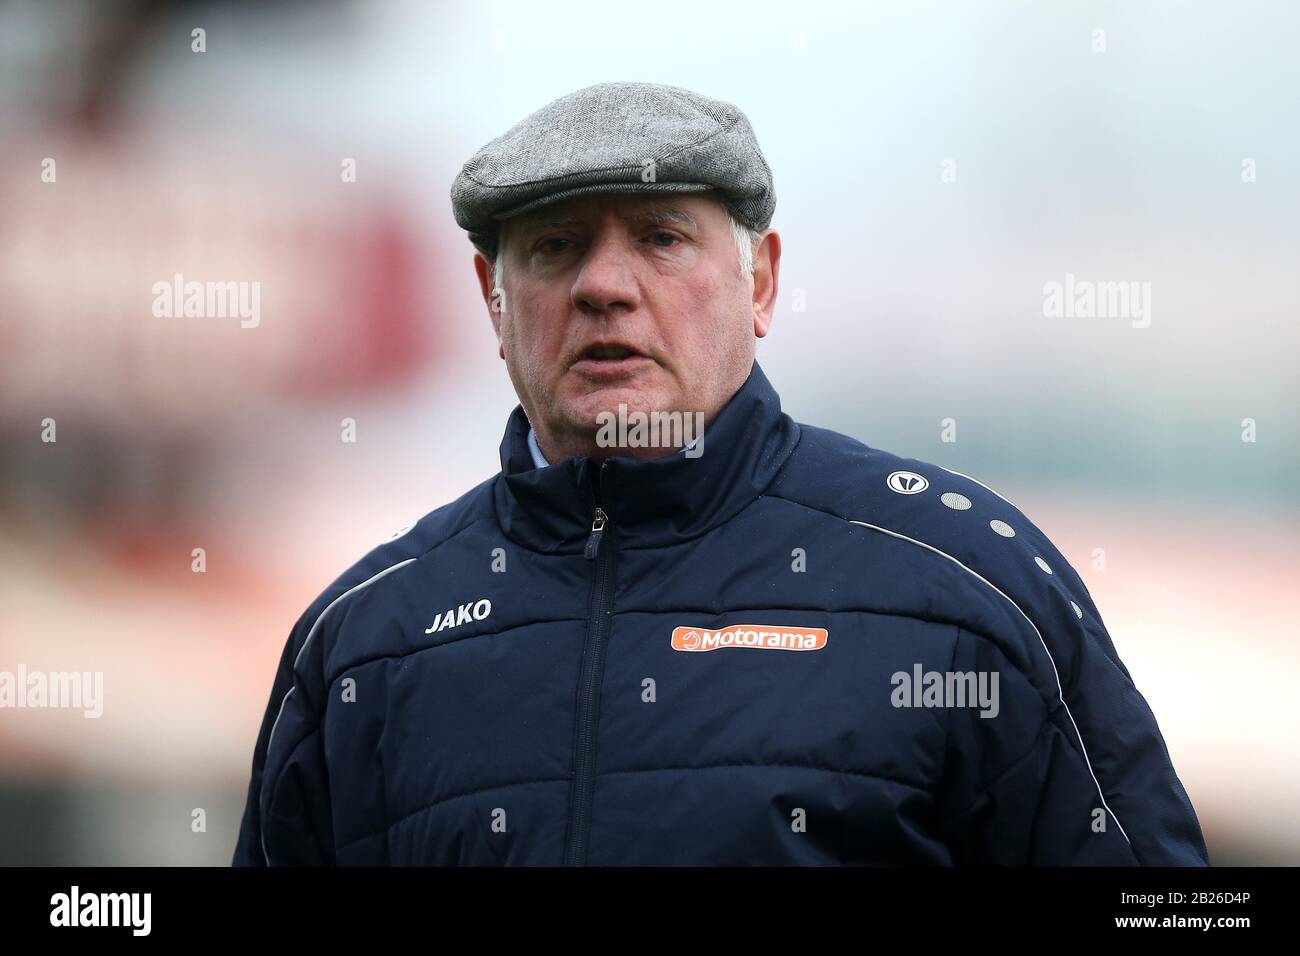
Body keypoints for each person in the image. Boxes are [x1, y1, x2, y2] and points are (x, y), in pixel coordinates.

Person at [233, 81, 1209, 866]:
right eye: (556, 246)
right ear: (493, 297)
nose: (604, 285)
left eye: (661, 238)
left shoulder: (961, 585)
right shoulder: (363, 643)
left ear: (762, 282)